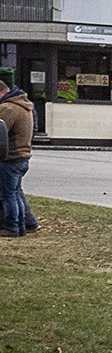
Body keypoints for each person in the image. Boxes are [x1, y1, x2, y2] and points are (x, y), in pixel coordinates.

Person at [0, 67, 37, 236]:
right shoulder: (23, 104)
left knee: (8, 195)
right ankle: (23, 225)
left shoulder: (8, 109)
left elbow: (1, 130)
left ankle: (12, 227)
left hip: (10, 158)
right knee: (15, 193)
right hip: (22, 157)